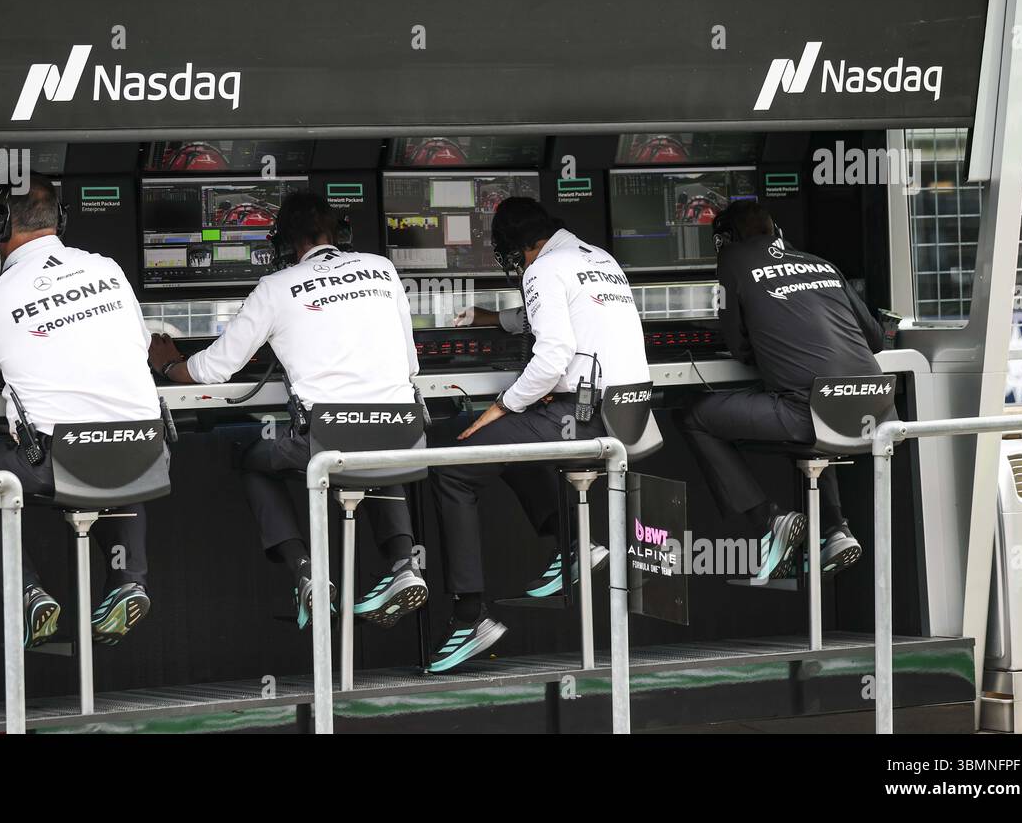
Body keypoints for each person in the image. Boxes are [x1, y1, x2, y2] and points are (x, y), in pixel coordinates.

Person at [148, 192, 428, 630]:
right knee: (378, 449)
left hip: (328, 444)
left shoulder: (275, 289)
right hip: (403, 437)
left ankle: (305, 571)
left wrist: (167, 365)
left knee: (250, 459)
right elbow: (411, 365)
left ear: (286, 244)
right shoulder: (383, 269)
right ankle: (402, 565)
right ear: (341, 233)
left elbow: (215, 367)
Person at [427, 198, 650, 672]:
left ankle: (469, 618)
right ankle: (572, 542)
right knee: (509, 444)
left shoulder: (542, 268)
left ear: (519, 246)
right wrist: (495, 318)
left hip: (585, 416)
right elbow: (570, 320)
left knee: (453, 463)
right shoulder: (598, 258)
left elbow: (552, 354)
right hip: (627, 413)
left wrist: (502, 404)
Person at [0, 174, 162, 648]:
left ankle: (28, 594)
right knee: (114, 451)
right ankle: (130, 580)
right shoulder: (108, 268)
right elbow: (143, 343)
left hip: (61, 463)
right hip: (145, 452)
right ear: (60, 219)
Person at [675, 199, 883, 583]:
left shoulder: (733, 263)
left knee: (693, 416)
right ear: (777, 232)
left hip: (808, 411)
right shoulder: (820, 262)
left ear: (725, 242)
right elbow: (875, 338)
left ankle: (769, 522)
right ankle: (835, 530)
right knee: (815, 412)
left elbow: (739, 347)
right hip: (875, 410)